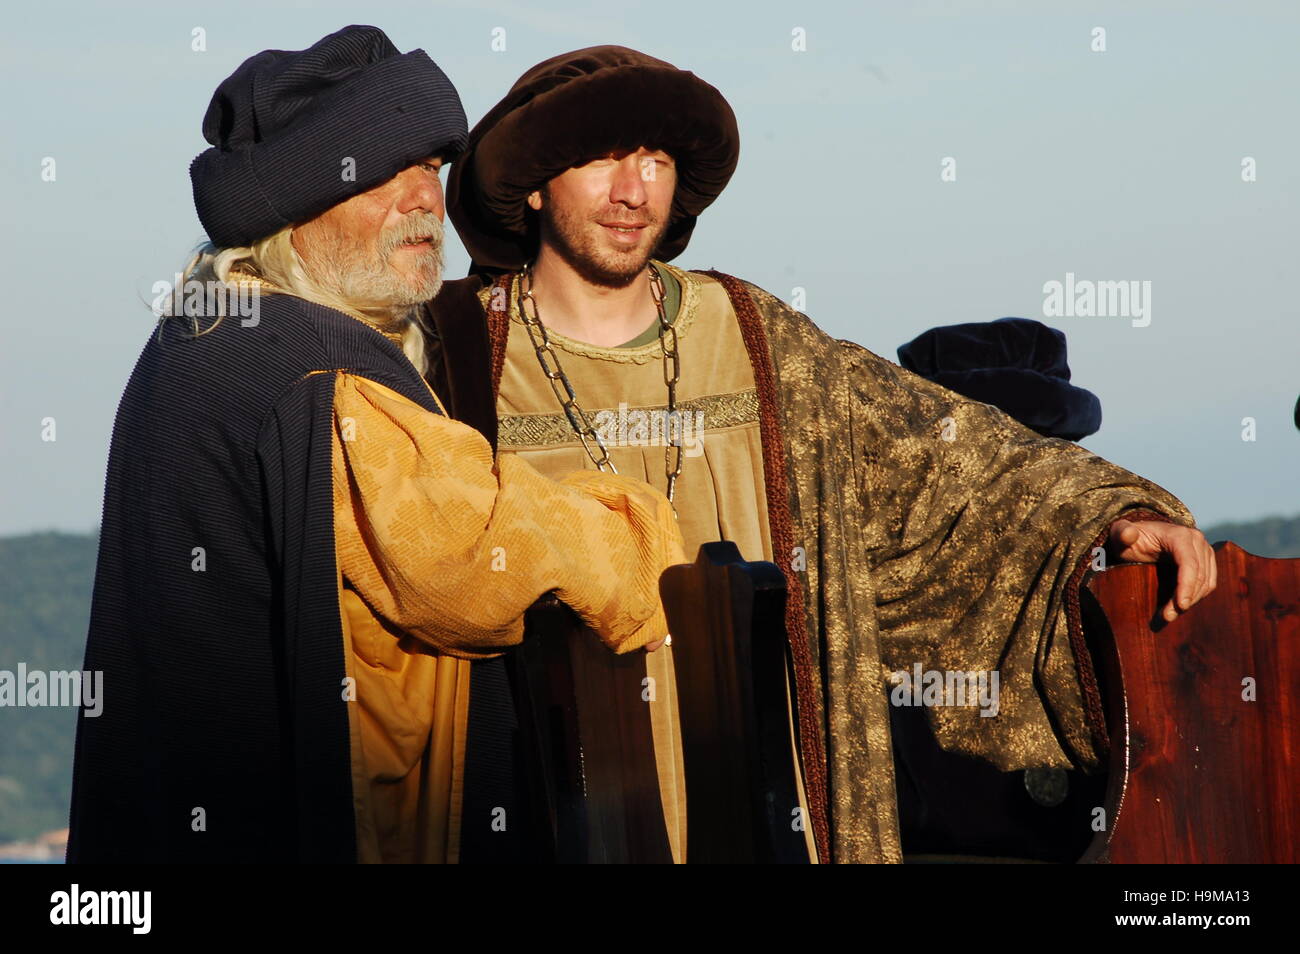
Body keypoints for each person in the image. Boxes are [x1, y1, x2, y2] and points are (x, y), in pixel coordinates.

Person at [424, 45, 1218, 863]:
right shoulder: (452, 362)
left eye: (656, 161)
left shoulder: (760, 340)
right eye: (602, 160)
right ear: (533, 181)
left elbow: (957, 460)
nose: (635, 192)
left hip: (780, 811)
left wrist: (1113, 515)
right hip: (550, 813)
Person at [66, 26, 684, 864]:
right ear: (294, 206)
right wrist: (644, 539)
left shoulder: (206, 335)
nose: (423, 201)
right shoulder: (314, 370)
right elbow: (467, 560)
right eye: (380, 174)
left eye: (429, 167)